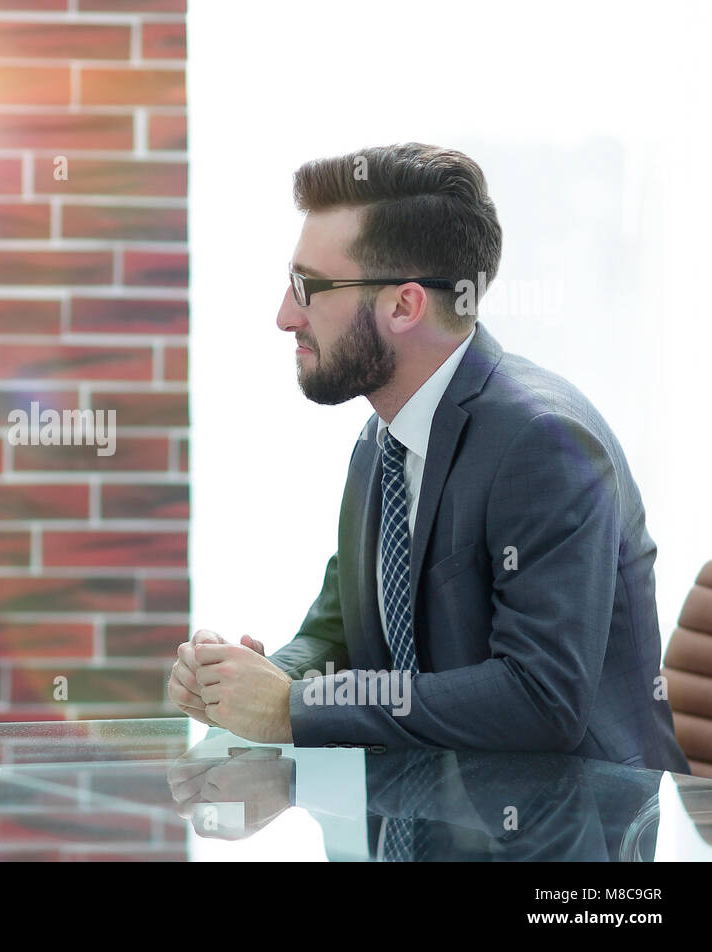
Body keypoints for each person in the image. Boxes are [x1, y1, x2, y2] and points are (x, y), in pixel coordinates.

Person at [168, 143, 688, 773]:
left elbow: (539, 698)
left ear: (404, 306)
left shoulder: (543, 444)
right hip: (436, 819)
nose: (284, 315)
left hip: (570, 838)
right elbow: (337, 634)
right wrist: (254, 680)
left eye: (308, 286)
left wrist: (294, 708)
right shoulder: (382, 442)